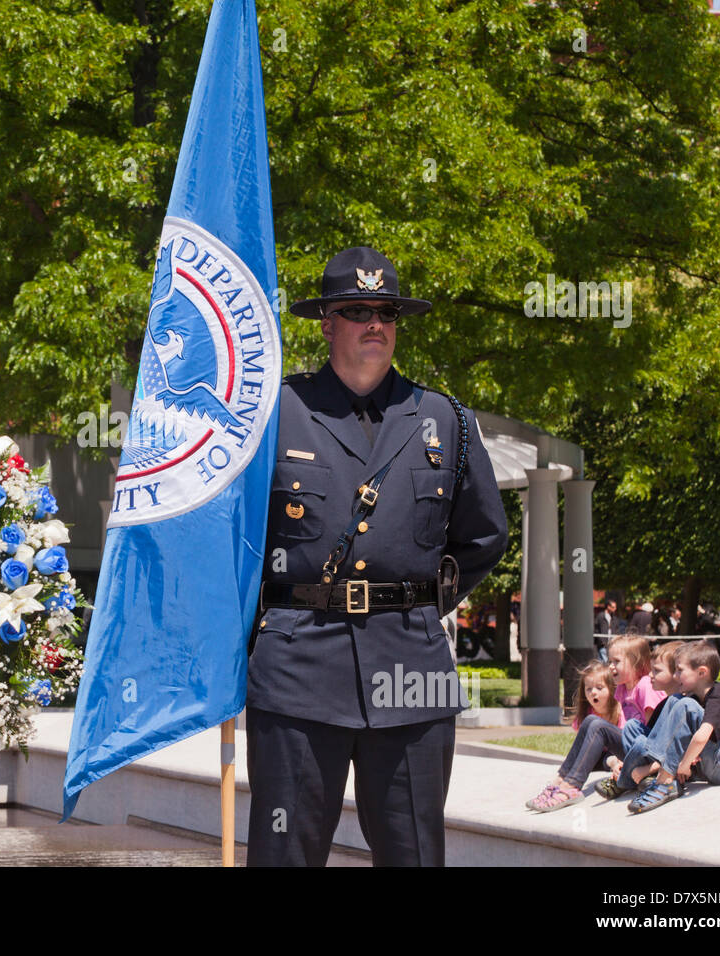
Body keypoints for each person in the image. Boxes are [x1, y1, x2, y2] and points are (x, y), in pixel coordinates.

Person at [246, 246, 508, 867]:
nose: (375, 324)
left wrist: (415, 604)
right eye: (356, 309)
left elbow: (483, 537)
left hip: (411, 670)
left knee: (414, 852)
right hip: (297, 666)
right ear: (326, 322)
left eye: (387, 312)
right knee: (286, 852)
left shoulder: (445, 420)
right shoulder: (275, 415)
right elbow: (237, 544)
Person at [625, 641, 720, 812]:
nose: (675, 676)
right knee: (675, 702)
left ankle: (664, 780)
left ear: (702, 672)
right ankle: (642, 772)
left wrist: (684, 764)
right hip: (718, 760)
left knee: (685, 706)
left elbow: (701, 737)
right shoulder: (696, 697)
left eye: (680, 670)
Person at [526, 660, 624, 811]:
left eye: (599, 688)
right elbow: (582, 747)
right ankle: (558, 782)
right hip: (598, 757)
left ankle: (569, 787)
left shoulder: (620, 710)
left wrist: (614, 761)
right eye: (589, 689)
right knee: (591, 723)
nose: (593, 693)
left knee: (601, 738)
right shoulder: (587, 714)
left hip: (615, 756)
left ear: (612, 689)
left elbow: (623, 740)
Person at [597, 640, 682, 798]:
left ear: (676, 674)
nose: (650, 674)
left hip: (664, 763)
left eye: (656, 670)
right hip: (650, 755)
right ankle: (632, 775)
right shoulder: (666, 702)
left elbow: (675, 748)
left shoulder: (679, 703)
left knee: (638, 740)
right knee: (631, 727)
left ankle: (625, 780)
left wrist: (648, 768)